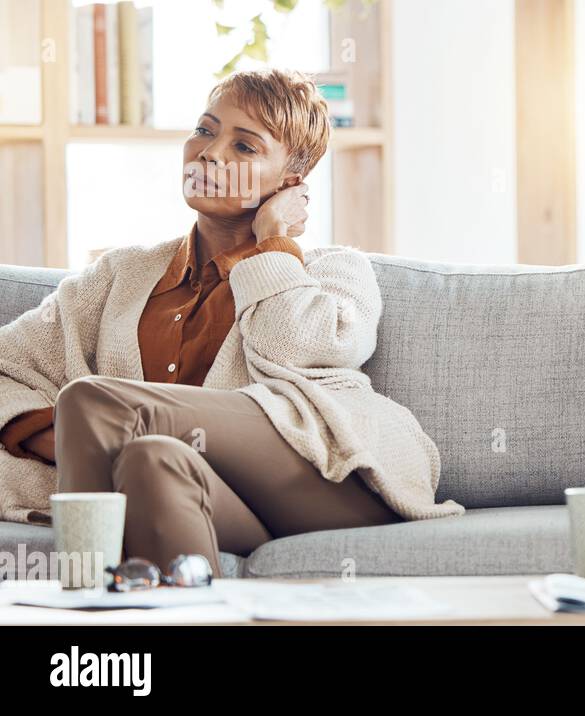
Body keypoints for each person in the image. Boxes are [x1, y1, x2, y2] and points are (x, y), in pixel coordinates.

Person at [0, 68, 463, 573]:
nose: (210, 153)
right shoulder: (120, 275)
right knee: (146, 459)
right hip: (223, 502)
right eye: (204, 130)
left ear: (291, 182)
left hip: (332, 487)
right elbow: (7, 364)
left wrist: (272, 242)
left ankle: (87, 597)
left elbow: (298, 347)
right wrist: (73, 438)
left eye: (245, 147)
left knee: (94, 397)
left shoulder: (331, 269)